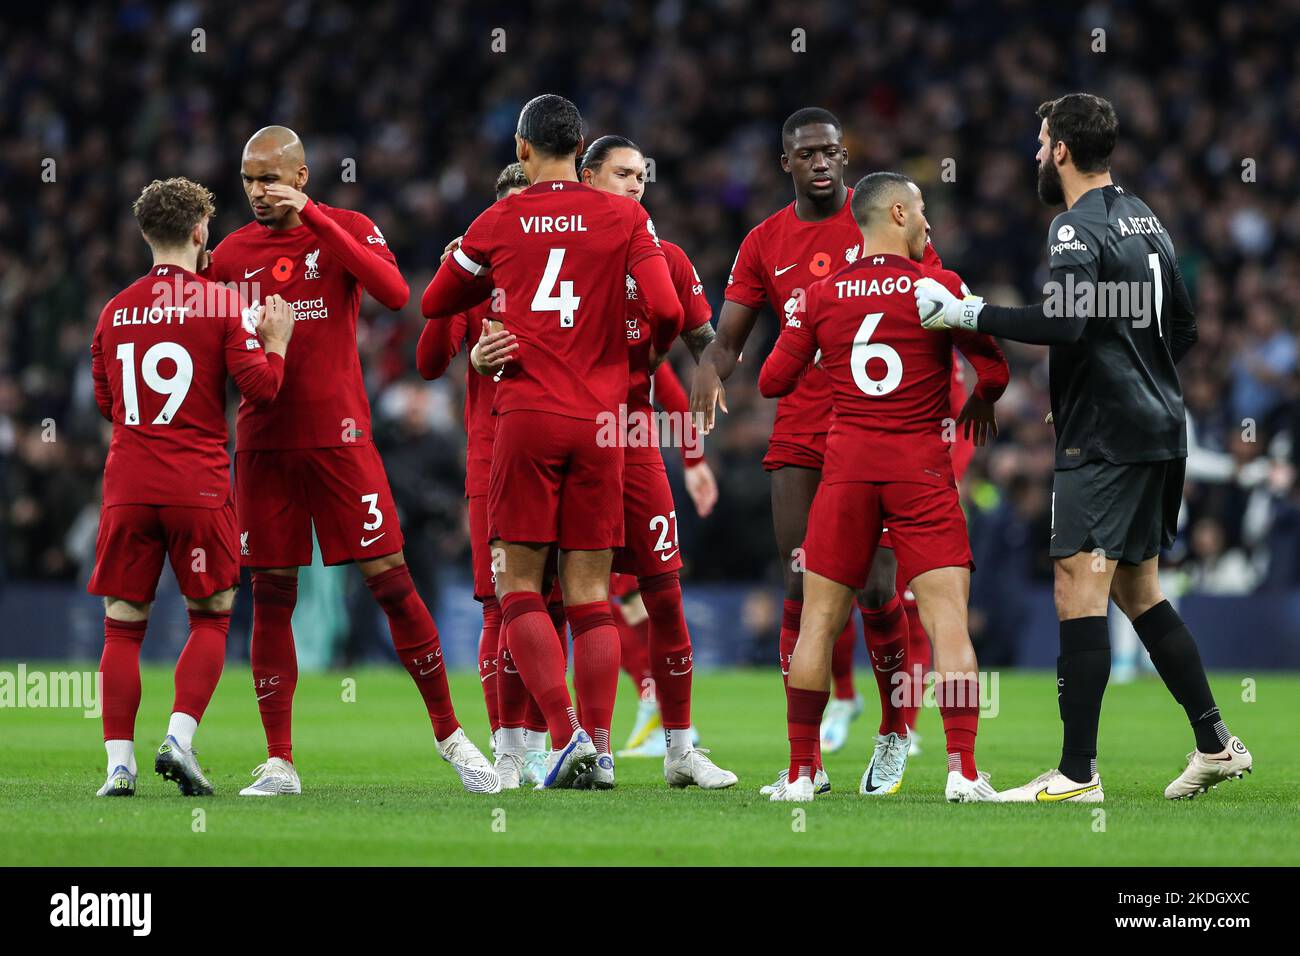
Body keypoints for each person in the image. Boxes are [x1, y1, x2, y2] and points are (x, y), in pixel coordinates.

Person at [915, 93, 1252, 801]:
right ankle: (1216, 742)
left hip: (1108, 439)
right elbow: (1181, 326)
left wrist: (972, 312)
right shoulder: (1146, 217)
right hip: (1159, 429)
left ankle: (1076, 774)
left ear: (1062, 150)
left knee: (1077, 586)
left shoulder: (1075, 227)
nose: (1037, 155)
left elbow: (1066, 324)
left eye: (1041, 144)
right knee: (1139, 588)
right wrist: (1130, 376)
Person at [204, 126, 497, 796]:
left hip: (340, 440)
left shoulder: (346, 228)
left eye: (270, 178)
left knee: (392, 583)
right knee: (272, 598)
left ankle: (451, 737)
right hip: (265, 445)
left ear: (302, 177)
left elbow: (395, 294)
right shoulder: (229, 256)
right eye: (249, 179)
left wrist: (315, 219)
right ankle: (279, 759)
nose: (258, 191)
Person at [421, 94, 684, 789]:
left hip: (528, 415)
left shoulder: (499, 218)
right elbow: (666, 309)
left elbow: (433, 305)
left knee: (517, 587)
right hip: (601, 422)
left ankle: (562, 736)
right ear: (582, 148)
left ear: (522, 149)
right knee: (592, 595)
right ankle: (596, 749)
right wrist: (643, 361)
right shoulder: (627, 216)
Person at [760, 171, 1009, 802]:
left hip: (845, 471)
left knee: (818, 622)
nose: (929, 222)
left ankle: (799, 774)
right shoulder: (939, 286)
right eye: (922, 210)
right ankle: (963, 771)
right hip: (920, 469)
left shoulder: (820, 295)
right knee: (949, 622)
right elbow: (997, 369)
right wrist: (981, 400)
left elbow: (771, 381)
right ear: (898, 213)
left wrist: (815, 339)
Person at [690, 108, 917, 793]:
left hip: (873, 427)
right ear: (785, 164)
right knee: (800, 585)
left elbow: (931, 302)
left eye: (829, 152)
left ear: (844, 158)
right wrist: (706, 371)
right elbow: (728, 339)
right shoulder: (765, 241)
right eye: (806, 154)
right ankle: (806, 763)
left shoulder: (883, 218)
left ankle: (894, 730)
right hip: (799, 433)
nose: (820, 162)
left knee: (876, 587)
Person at [89, 177, 292, 797]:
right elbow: (260, 390)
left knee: (123, 626)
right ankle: (178, 737)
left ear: (146, 234)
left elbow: (107, 402)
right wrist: (275, 343)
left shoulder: (115, 309)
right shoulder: (220, 304)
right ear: (201, 232)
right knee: (210, 616)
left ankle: (118, 768)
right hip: (197, 488)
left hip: (128, 484)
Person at [417, 161, 554, 788]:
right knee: (502, 604)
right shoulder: (473, 283)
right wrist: (453, 300)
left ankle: (535, 741)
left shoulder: (565, 275)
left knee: (551, 603)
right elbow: (426, 362)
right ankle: (507, 747)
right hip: (492, 458)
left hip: (559, 454)